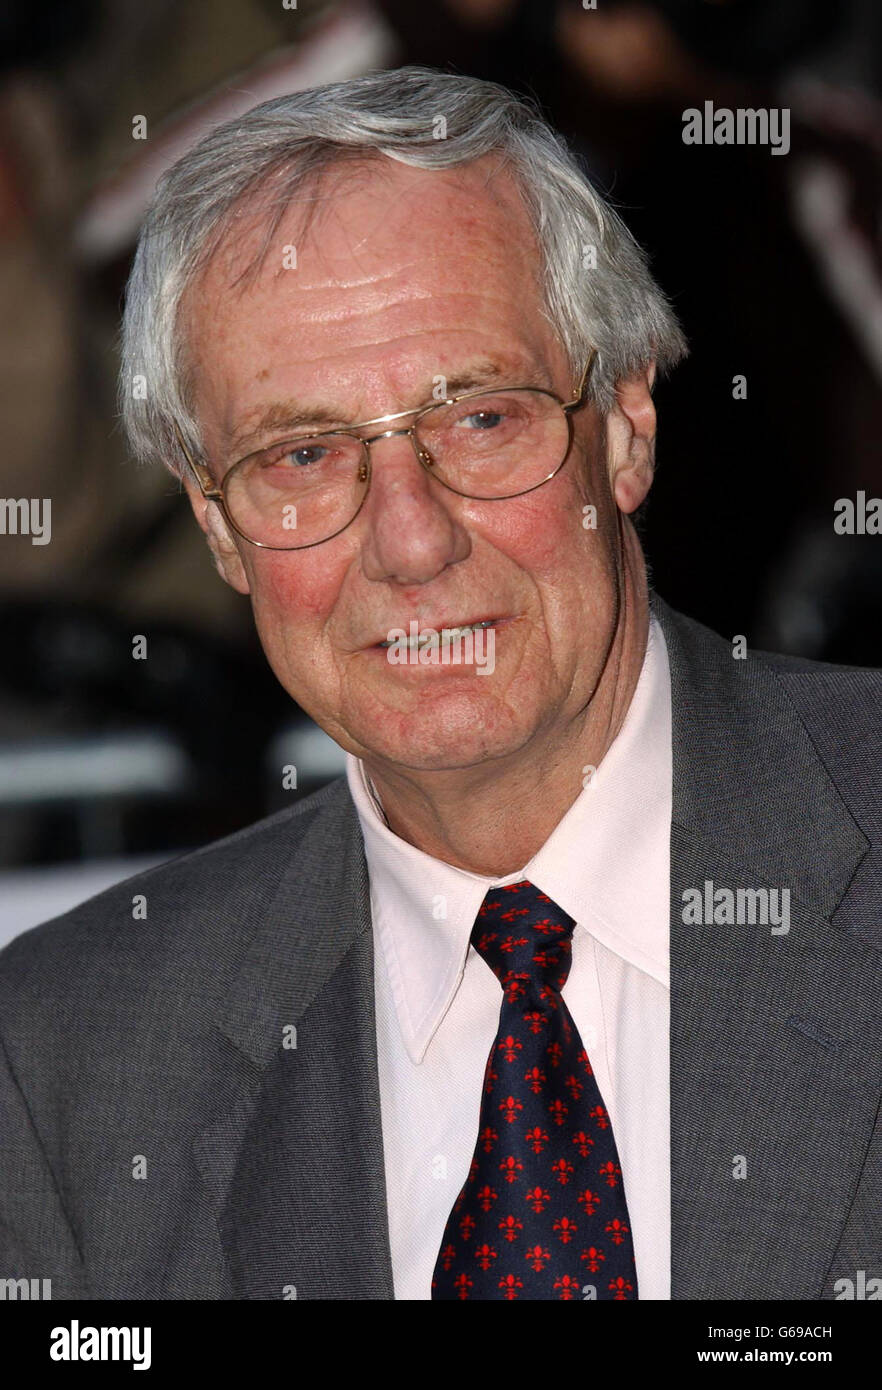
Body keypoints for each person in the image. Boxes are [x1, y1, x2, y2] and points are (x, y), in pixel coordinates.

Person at [0, 66, 879, 1302]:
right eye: (302, 453)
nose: (411, 541)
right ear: (216, 525)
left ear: (626, 422)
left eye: (480, 420)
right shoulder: (64, 1063)